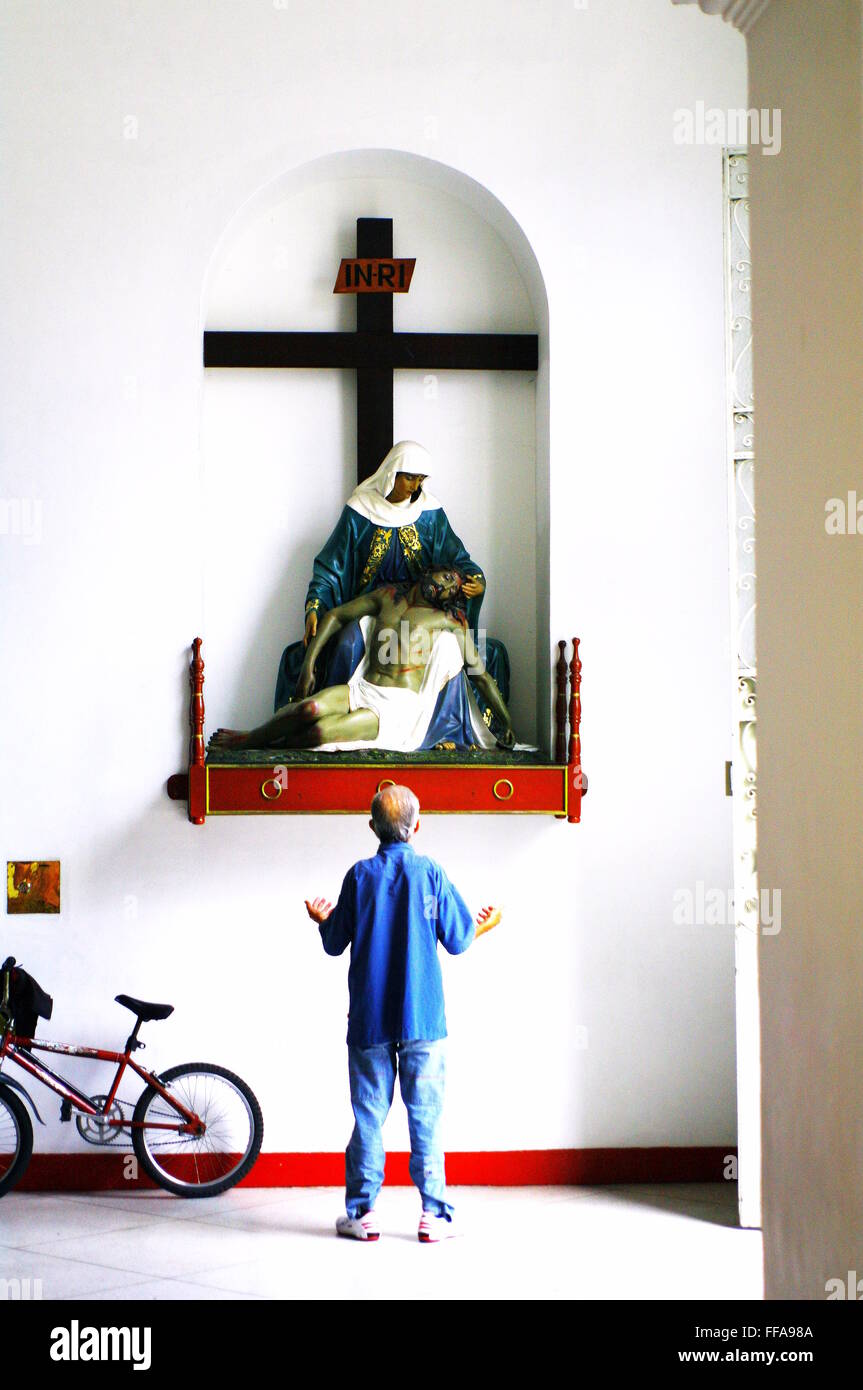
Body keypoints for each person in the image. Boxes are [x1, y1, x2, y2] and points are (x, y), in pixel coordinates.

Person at [304, 784, 502, 1242]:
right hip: (424, 1020)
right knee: (426, 1117)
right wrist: (483, 924)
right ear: (419, 824)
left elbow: (335, 942)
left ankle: (362, 1214)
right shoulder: (431, 873)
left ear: (372, 827)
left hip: (370, 1019)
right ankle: (433, 1215)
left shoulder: (359, 876)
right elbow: (458, 939)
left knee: (369, 1115)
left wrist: (320, 919)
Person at [273, 440, 511, 742]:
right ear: (391, 473)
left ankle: (441, 732)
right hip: (372, 607)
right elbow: (332, 566)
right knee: (346, 645)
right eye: (409, 477)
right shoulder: (360, 509)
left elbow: (457, 560)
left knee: (458, 652)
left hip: (424, 610)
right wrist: (314, 606)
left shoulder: (430, 512)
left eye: (420, 480)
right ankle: (333, 718)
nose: (414, 487)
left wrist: (475, 580)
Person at [213, 566, 516, 752]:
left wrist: (506, 721)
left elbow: (481, 677)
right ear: (430, 571)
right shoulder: (386, 598)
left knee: (321, 732)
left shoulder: (445, 622)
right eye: (446, 577)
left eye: (451, 588)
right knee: (309, 708)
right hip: (362, 688)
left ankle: (264, 743)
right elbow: (334, 616)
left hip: (396, 710)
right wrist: (307, 667)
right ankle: (251, 736)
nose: (445, 586)